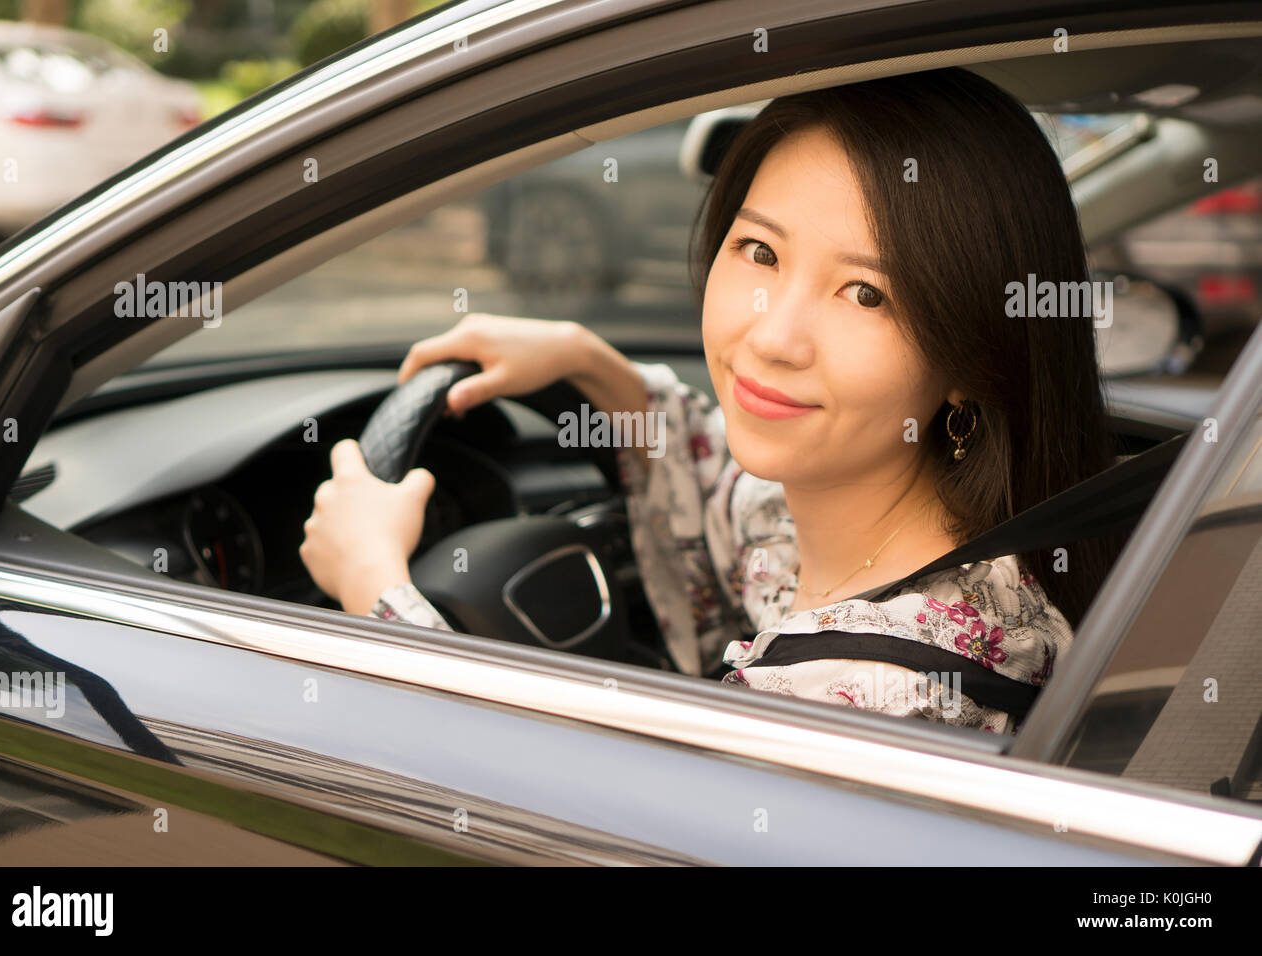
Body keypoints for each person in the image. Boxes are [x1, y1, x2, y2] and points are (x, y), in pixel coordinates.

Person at [299, 67, 1121, 734]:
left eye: (866, 294)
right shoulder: (962, 558)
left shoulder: (864, 698)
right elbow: (740, 515)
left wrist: (376, 587)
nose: (773, 337)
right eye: (759, 251)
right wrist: (589, 364)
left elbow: (558, 828)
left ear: (972, 356)